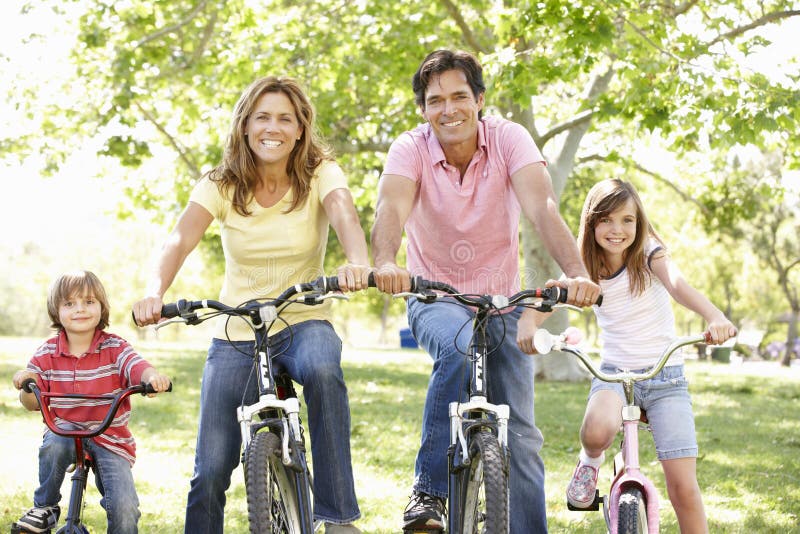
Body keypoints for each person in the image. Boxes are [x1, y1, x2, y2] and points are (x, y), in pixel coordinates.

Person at [370, 49, 601, 533]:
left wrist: (577, 271)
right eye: (435, 100)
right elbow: (390, 208)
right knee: (455, 349)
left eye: (459, 96)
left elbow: (542, 208)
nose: (448, 109)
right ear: (423, 109)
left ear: (479, 100)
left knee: (522, 435)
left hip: (503, 302)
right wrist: (386, 263)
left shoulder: (509, 139)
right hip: (435, 297)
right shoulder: (409, 148)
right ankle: (427, 491)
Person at [132, 76, 369, 534]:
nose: (272, 127)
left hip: (303, 319)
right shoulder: (220, 183)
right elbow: (179, 240)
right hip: (237, 330)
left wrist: (357, 263)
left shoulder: (322, 172)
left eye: (285, 118)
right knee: (211, 467)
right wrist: (154, 292)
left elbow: (344, 214)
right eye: (262, 117)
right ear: (244, 126)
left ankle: (338, 518)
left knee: (323, 369)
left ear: (301, 128)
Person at [564, 178, 737, 532]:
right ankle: (589, 463)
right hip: (615, 373)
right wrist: (533, 328)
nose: (618, 229)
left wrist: (714, 316)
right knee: (596, 431)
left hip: (665, 377)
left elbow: (677, 283)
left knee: (683, 486)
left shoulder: (650, 253)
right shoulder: (585, 266)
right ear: (591, 222)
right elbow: (558, 294)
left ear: (639, 223)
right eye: (607, 220)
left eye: (627, 220)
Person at [12, 270, 171, 534]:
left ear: (101, 307)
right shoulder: (47, 353)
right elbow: (31, 402)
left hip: (110, 437)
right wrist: (28, 382)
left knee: (125, 508)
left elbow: (136, 366)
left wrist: (152, 377)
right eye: (69, 303)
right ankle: (45, 507)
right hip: (64, 430)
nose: (80, 310)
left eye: (89, 301)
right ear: (56, 310)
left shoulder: (115, 348)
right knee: (53, 444)